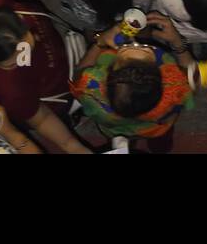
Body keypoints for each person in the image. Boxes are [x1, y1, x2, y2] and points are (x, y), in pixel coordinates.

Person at [0, 0, 92, 153]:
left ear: (18, 17)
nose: (24, 56)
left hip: (57, 64)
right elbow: (42, 118)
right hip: (50, 95)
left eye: (26, 44)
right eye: (13, 62)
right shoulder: (10, 90)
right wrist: (72, 145)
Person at [70, 12, 195, 151]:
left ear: (108, 72)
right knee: (161, 140)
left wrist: (100, 42)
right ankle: (161, 148)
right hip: (156, 127)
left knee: (117, 139)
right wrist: (177, 42)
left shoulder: (91, 88)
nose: (135, 44)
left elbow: (79, 74)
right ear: (161, 79)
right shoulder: (174, 88)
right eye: (147, 50)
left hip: (112, 128)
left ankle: (123, 145)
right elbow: (191, 76)